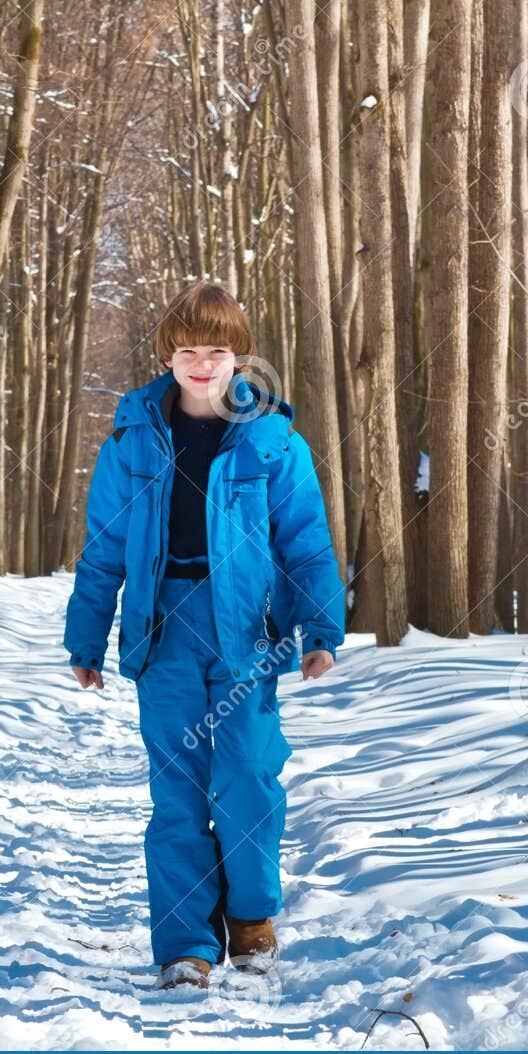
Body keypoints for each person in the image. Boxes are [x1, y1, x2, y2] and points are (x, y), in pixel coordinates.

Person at [63, 281, 345, 990]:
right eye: (187, 349)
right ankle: (186, 942)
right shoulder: (134, 435)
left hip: (248, 633)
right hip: (164, 632)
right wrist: (87, 638)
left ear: (238, 355)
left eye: (216, 350)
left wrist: (320, 627)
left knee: (247, 776)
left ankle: (251, 918)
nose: (201, 362)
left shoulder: (272, 438)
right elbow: (104, 543)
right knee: (179, 792)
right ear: (168, 353)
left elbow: (306, 539)